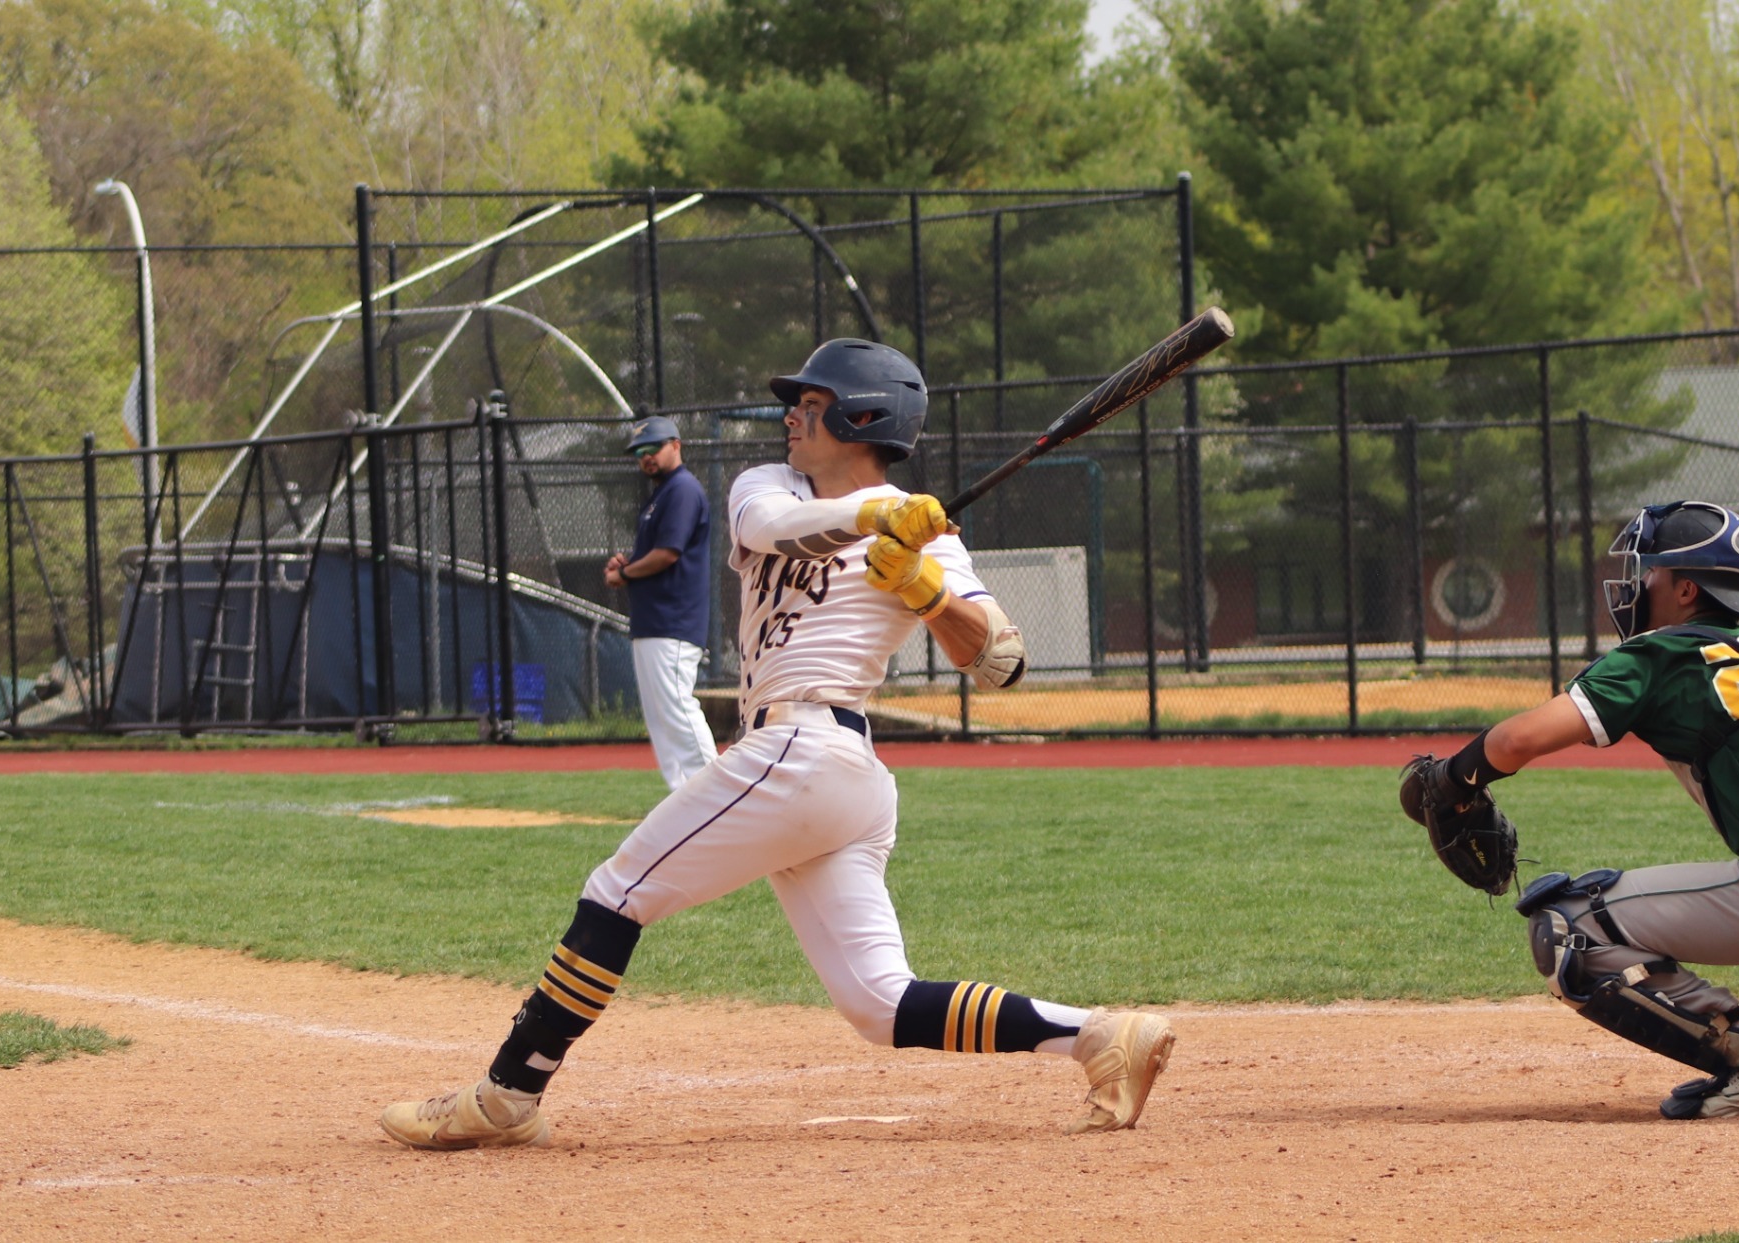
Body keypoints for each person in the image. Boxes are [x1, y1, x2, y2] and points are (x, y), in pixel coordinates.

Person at [381, 339, 1175, 1150]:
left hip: (811, 751)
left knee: (617, 892)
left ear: (862, 417)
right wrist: (874, 519)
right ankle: (1100, 1036)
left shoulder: (929, 538)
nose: (792, 414)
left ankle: (506, 1097)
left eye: (811, 402)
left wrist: (926, 589)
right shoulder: (772, 485)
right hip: (812, 767)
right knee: (879, 1003)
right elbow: (772, 528)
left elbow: (1002, 662)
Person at [1403, 491, 1739, 1122]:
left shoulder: (1661, 653)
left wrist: (1451, 780)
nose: (1639, 584)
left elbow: (1517, 740)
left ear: (1687, 590)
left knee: (1571, 927)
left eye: (1652, 572)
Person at [605, 415, 718, 790]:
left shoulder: (682, 489)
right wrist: (628, 564)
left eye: (653, 447)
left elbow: (668, 553)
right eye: (640, 451)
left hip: (673, 620)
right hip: (654, 620)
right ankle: (683, 799)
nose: (646, 456)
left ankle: (716, 794)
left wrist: (624, 573)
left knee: (677, 709)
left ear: (676, 445)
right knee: (661, 717)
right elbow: (656, 553)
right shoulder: (662, 493)